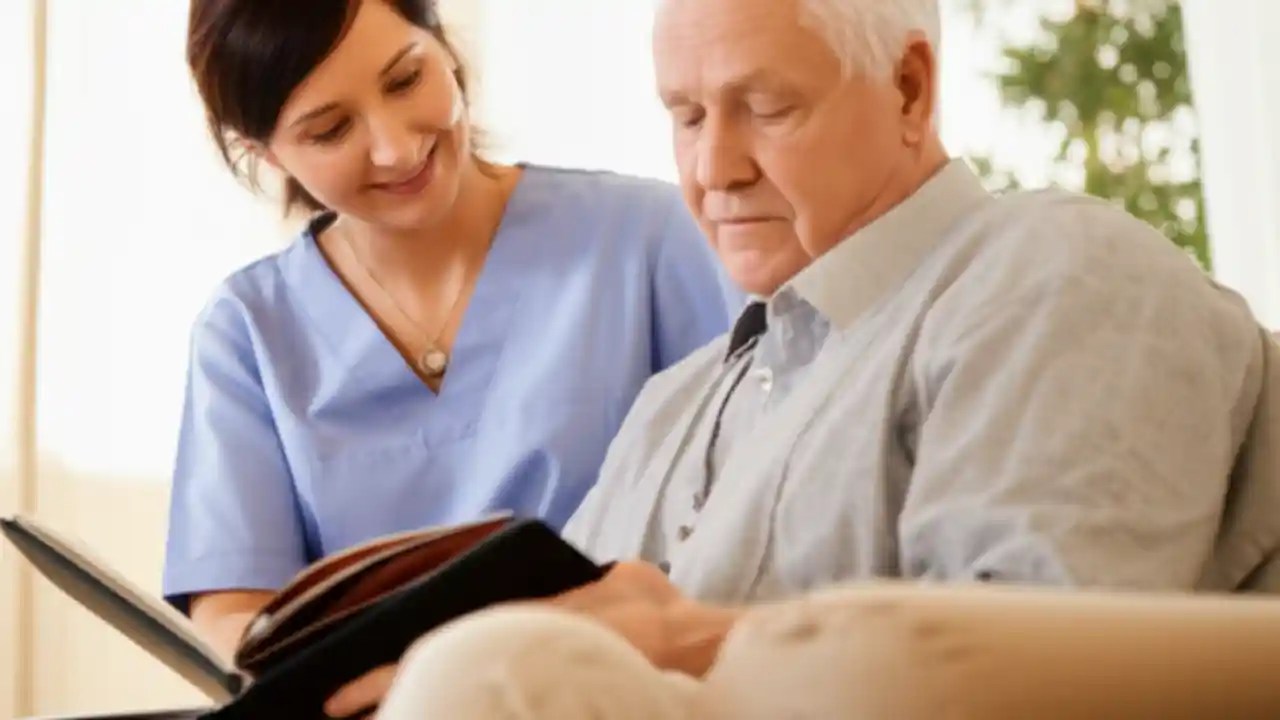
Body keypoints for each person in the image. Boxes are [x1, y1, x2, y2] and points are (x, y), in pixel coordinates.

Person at [322, 0, 1280, 715]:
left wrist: (685, 640)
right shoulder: (675, 401)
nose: (712, 169)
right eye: (688, 116)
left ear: (911, 89)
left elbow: (1029, 674)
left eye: (766, 109)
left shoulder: (1052, 272)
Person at [161, 0, 743, 660]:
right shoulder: (248, 333)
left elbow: (755, 509)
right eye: (329, 130)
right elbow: (237, 614)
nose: (396, 146)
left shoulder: (651, 243)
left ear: (445, 47)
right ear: (262, 151)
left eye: (406, 80)